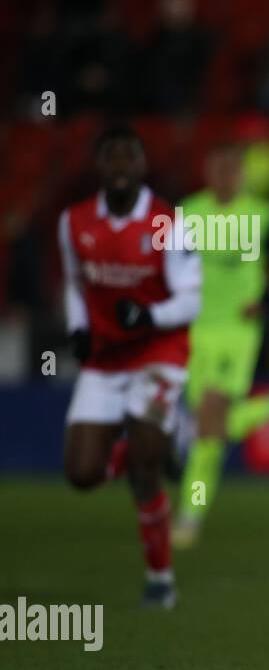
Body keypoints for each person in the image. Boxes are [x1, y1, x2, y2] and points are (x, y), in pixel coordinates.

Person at [60, 126, 202, 610]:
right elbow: (75, 285)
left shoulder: (168, 221)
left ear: (143, 165)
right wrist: (79, 327)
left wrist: (148, 316)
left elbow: (191, 299)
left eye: (129, 157)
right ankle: (150, 446)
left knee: (145, 464)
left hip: (159, 353)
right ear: (99, 167)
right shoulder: (73, 222)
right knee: (80, 474)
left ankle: (160, 579)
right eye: (111, 157)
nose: (120, 166)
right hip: (105, 358)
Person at [172, 142, 269, 550]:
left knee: (208, 428)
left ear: (242, 175)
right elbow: (167, 267)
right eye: (218, 169)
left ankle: (190, 517)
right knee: (210, 430)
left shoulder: (262, 216)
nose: (224, 177)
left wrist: (263, 293)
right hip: (196, 332)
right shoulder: (189, 212)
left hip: (237, 334)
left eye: (232, 170)